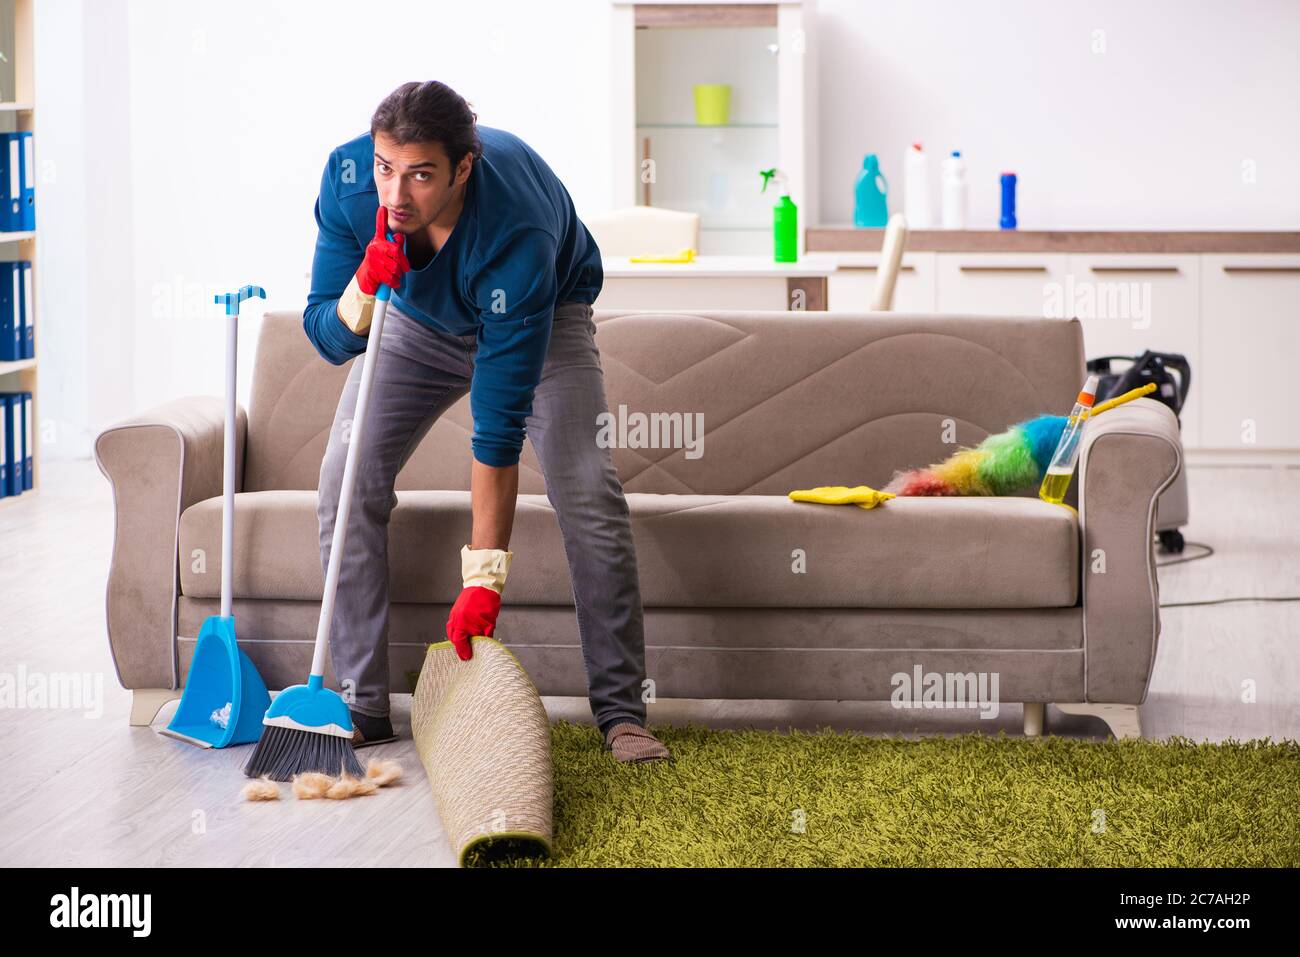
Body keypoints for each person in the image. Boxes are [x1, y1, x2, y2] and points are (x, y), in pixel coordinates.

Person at [303, 81, 669, 763]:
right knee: (345, 479)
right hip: (414, 320)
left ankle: (621, 713)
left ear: (463, 168)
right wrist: (362, 285)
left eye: (420, 175)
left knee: (588, 491)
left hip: (540, 315)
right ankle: (360, 703)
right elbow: (326, 336)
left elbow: (496, 427)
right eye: (387, 167)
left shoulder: (516, 230)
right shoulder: (351, 182)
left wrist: (484, 578)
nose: (396, 195)